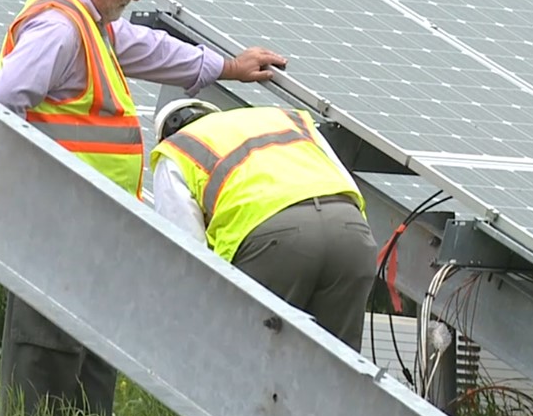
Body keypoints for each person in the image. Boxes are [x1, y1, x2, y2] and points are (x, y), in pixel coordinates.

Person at [0, 0, 288, 416]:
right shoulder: (58, 26)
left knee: (92, 349)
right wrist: (6, 191)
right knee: (48, 349)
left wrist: (229, 67)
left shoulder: (92, 26)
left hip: (93, 227)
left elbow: (153, 49)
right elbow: (0, 104)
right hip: (58, 225)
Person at [149, 98, 378, 352]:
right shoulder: (286, 120)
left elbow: (188, 252)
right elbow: (344, 181)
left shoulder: (177, 149)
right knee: (338, 369)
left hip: (274, 242)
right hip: (351, 235)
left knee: (249, 360)